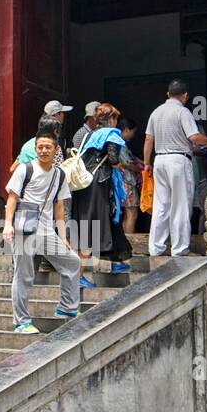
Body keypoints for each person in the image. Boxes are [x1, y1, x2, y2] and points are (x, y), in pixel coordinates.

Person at [2, 130, 80, 334]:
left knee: (72, 262)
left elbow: (60, 206)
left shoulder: (59, 174)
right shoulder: (24, 169)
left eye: (48, 147)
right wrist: (8, 224)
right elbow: (11, 198)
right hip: (24, 229)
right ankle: (21, 322)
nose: (44, 150)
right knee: (24, 274)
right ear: (36, 149)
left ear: (56, 150)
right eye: (40, 147)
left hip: (46, 230)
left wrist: (63, 236)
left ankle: (67, 308)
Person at [143, 80, 207, 257]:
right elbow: (195, 137)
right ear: (185, 96)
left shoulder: (156, 112)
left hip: (159, 160)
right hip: (178, 161)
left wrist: (146, 163)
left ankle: (155, 248)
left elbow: (149, 140)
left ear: (168, 94)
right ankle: (180, 248)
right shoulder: (183, 112)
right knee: (181, 205)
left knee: (161, 205)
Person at [72, 103, 137, 283]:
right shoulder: (111, 134)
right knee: (95, 224)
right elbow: (114, 159)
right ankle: (78, 274)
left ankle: (116, 261)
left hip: (85, 185)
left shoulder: (89, 135)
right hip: (99, 185)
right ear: (111, 119)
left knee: (106, 221)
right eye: (115, 118)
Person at [118, 119, 143, 235]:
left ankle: (126, 241)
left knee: (128, 214)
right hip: (126, 183)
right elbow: (127, 163)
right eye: (133, 132)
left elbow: (133, 158)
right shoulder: (120, 144)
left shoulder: (122, 144)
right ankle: (130, 242)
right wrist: (140, 169)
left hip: (124, 182)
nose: (133, 135)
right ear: (127, 130)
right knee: (132, 213)